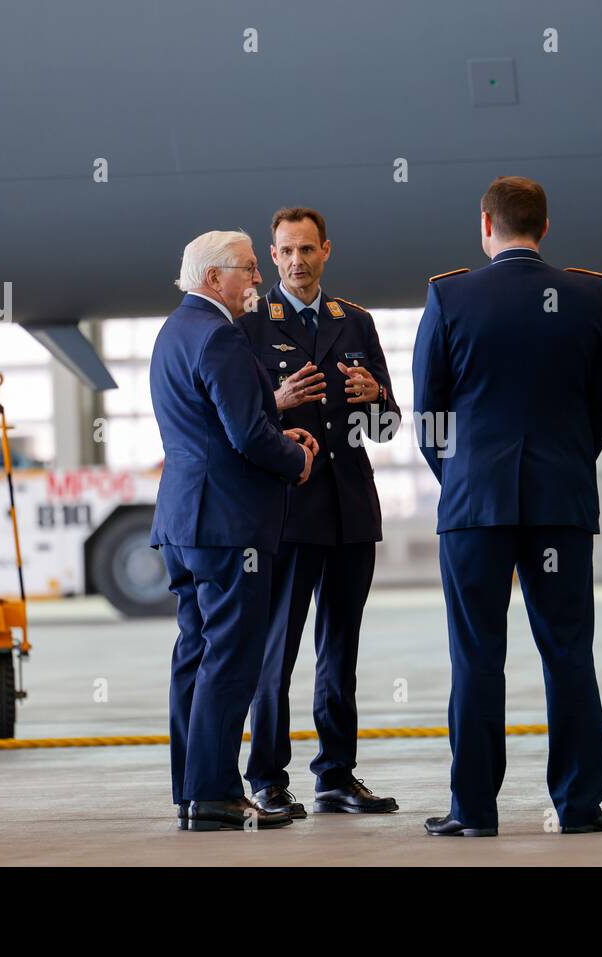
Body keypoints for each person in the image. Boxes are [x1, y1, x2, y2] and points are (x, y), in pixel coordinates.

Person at [411, 176, 602, 837]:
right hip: (559, 502)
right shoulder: (589, 294)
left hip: (475, 507)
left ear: (485, 224)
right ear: (546, 226)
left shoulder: (450, 296)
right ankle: (579, 806)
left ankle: (473, 811)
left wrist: (459, 476)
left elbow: (429, 411)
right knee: (568, 652)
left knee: (476, 655)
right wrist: (565, 464)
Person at [149, 229, 317, 832]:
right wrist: (295, 459)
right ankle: (218, 792)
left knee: (195, 654)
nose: (257, 280)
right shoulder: (219, 336)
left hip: (184, 521)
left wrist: (274, 427)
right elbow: (246, 435)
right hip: (228, 525)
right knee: (232, 656)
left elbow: (219, 423)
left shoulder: (174, 332)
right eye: (249, 269)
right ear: (214, 277)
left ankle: (193, 791)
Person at [235, 207, 400, 817]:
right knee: (277, 649)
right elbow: (233, 422)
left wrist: (376, 397)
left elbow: (388, 426)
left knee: (340, 649)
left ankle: (336, 775)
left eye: (308, 249)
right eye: (286, 252)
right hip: (287, 512)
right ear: (273, 258)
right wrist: (274, 402)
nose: (298, 261)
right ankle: (267, 778)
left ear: (326, 250)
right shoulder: (250, 323)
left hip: (350, 510)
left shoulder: (354, 322)